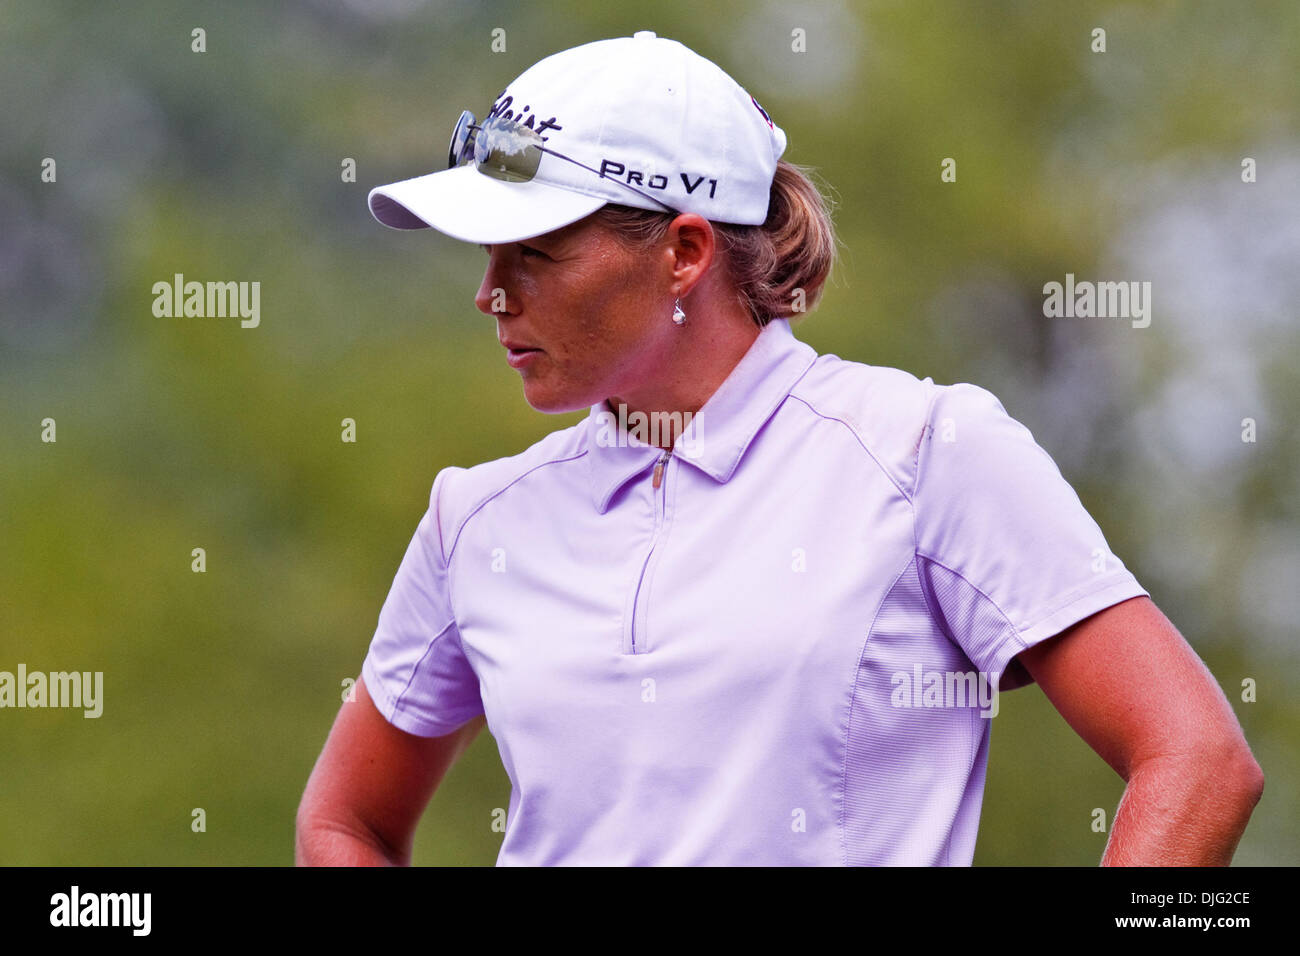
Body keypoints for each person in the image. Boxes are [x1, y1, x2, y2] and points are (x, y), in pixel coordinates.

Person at [295, 31, 1263, 866]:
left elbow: (1198, 761)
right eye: (486, 256)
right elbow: (343, 819)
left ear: (682, 249)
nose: (490, 293)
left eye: (534, 254)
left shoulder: (924, 450)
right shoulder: (476, 519)